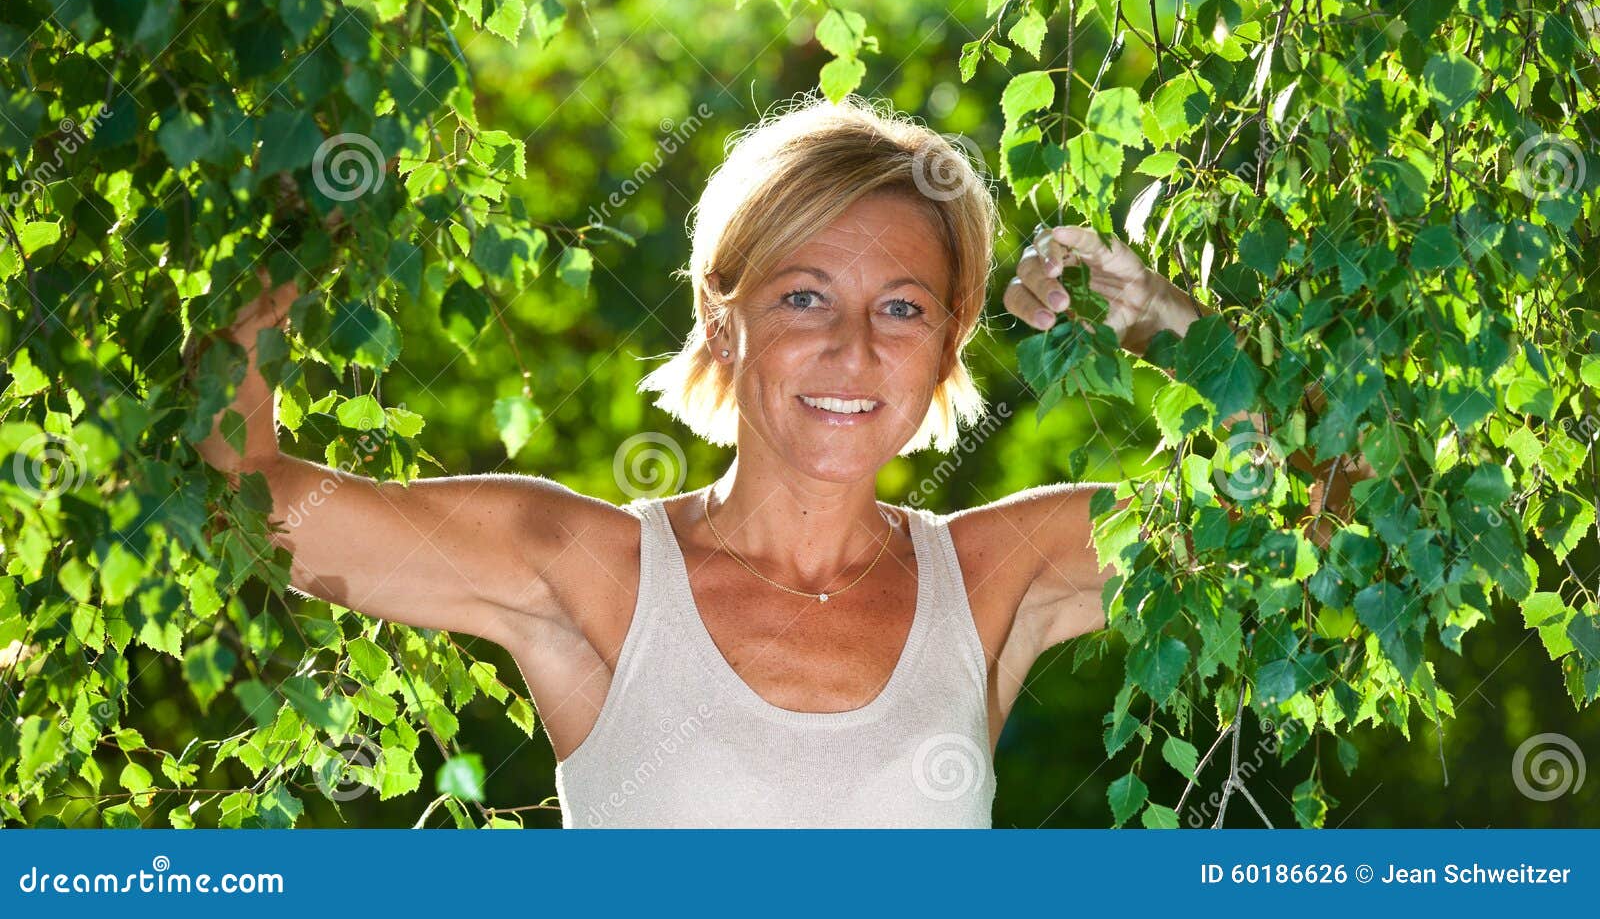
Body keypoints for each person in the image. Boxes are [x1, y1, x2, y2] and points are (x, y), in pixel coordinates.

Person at [197, 94, 1361, 827]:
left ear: (950, 340)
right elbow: (233, 496)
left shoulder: (1002, 568)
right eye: (805, 294)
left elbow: (1318, 517)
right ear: (720, 318)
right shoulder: (583, 566)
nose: (854, 346)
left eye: (902, 308)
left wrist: (1167, 323)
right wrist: (293, 242)